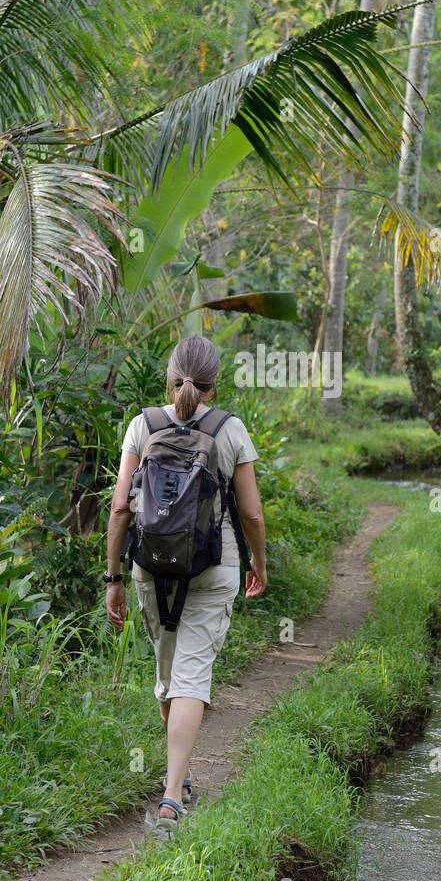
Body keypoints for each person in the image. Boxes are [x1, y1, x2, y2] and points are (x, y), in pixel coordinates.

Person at [105, 336, 267, 823]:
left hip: (150, 564)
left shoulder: (143, 425)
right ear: (216, 380)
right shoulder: (229, 429)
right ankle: (173, 795)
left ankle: (177, 779)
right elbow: (251, 511)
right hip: (214, 565)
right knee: (191, 676)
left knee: (168, 673)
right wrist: (259, 562)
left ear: (169, 374)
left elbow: (118, 508)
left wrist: (113, 575)